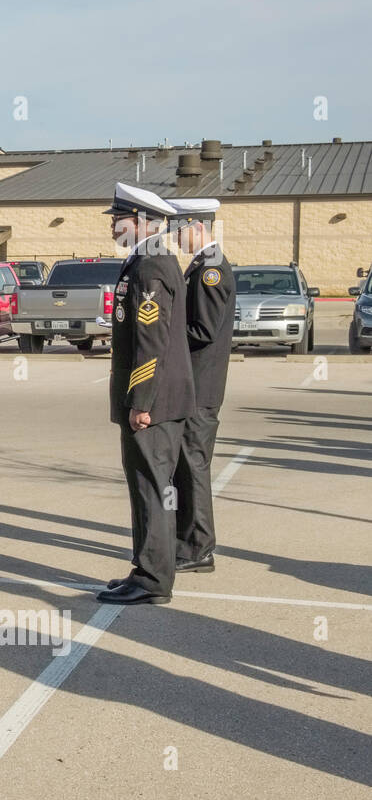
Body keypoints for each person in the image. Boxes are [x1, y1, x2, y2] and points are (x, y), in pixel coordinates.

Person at [96, 182, 194, 606]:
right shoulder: (145, 259)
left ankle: (154, 580)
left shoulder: (151, 266)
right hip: (151, 398)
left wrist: (142, 402)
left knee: (152, 487)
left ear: (141, 222)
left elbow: (151, 341)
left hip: (153, 400)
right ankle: (145, 566)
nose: (113, 226)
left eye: (118, 220)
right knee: (143, 486)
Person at [169, 197, 234, 573]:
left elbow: (202, 330)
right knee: (188, 466)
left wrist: (162, 334)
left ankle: (198, 548)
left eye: (179, 232)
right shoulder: (204, 264)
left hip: (200, 387)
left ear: (197, 227)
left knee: (193, 467)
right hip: (198, 386)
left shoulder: (211, 269)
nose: (176, 240)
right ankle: (190, 542)